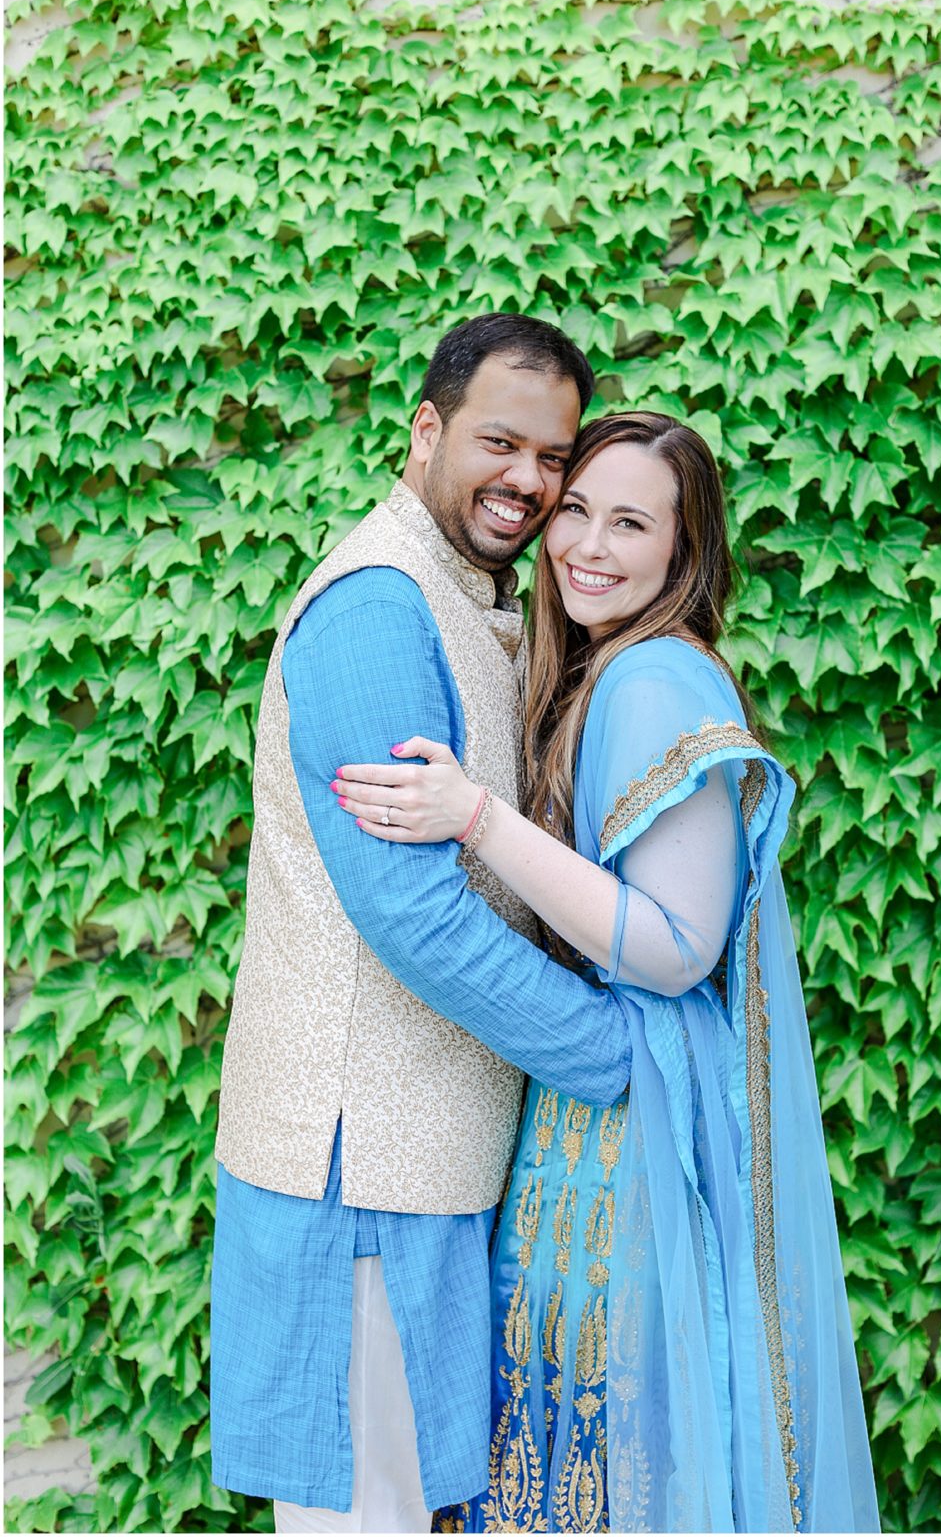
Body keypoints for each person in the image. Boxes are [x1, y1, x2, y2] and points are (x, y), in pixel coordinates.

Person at [333, 412, 881, 1533]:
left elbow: (677, 947)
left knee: (616, 1459)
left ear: (685, 552)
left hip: (638, 1140)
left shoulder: (656, 682)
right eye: (574, 510)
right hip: (597, 1124)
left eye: (630, 522)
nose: (586, 543)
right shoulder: (599, 673)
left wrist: (474, 817)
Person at [209, 315, 635, 1534]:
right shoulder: (376, 613)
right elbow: (413, 918)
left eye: (553, 457)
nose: (529, 481)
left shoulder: (468, 598)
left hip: (425, 1165)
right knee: (368, 1519)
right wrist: (615, 1053)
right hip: (359, 1172)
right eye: (499, 441)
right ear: (427, 430)